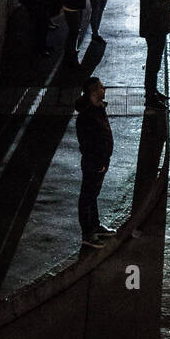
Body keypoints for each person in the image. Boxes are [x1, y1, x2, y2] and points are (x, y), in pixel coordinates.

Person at [75, 77, 115, 249]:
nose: (103, 88)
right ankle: (88, 233)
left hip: (100, 161)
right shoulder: (87, 116)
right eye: (100, 87)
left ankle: (95, 226)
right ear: (93, 92)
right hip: (94, 163)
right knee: (87, 197)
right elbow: (88, 144)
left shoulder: (97, 109)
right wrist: (98, 162)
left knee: (92, 195)